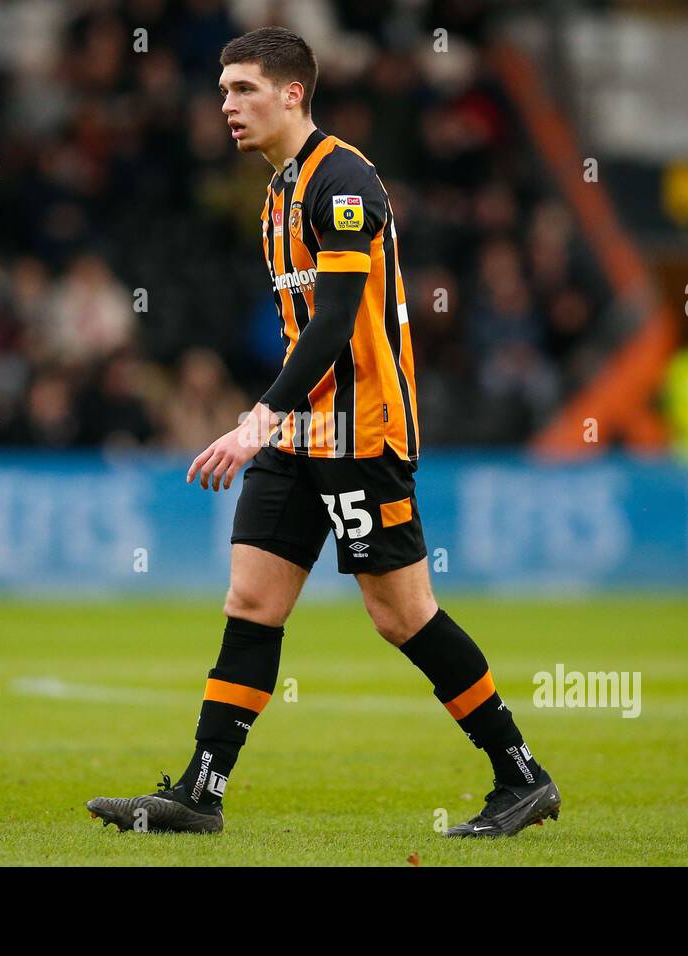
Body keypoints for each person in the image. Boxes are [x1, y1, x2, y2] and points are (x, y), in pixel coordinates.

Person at [86, 27, 559, 838]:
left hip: (363, 433)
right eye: (224, 90)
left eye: (242, 89)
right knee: (252, 599)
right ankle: (201, 794)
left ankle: (520, 775)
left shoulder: (342, 179)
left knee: (402, 615)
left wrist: (260, 413)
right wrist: (281, 418)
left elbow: (336, 321)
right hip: (302, 435)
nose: (226, 105)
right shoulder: (278, 191)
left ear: (292, 92)